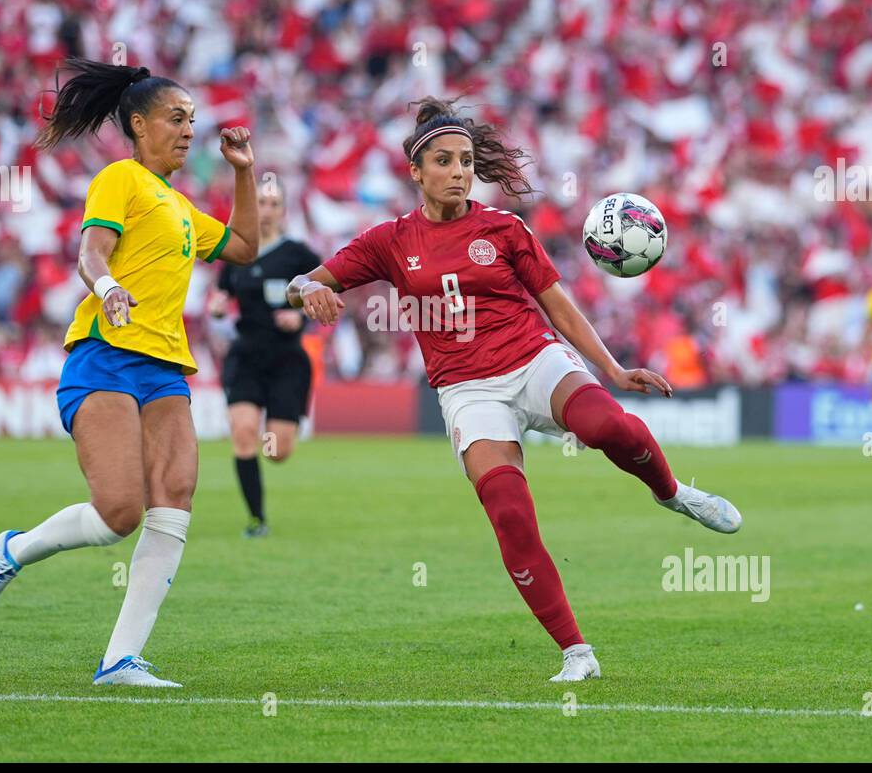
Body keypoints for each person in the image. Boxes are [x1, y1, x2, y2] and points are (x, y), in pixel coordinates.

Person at [285, 97, 742, 683]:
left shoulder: (505, 228)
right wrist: (307, 288)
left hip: (533, 361)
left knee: (609, 426)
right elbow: (301, 285)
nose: (458, 171)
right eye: (444, 161)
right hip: (467, 392)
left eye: (467, 161)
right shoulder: (388, 240)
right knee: (509, 513)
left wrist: (613, 369)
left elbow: (558, 307)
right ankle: (578, 653)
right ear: (415, 172)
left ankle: (675, 492)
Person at [0, 58, 260, 686]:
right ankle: (13, 549)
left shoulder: (180, 205)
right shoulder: (120, 178)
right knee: (119, 513)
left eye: (192, 121)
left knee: (175, 495)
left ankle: (119, 659)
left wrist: (243, 173)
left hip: (165, 369)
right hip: (104, 356)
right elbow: (90, 252)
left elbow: (242, 248)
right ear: (137, 123)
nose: (188, 130)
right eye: (175, 119)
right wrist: (107, 288)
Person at [208, 179, 321, 537]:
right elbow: (221, 294)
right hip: (246, 355)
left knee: (277, 451)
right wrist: (217, 307)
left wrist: (300, 316)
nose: (267, 209)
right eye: (260, 202)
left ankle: (279, 434)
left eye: (273, 203)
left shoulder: (299, 255)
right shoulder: (237, 251)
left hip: (287, 359)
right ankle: (257, 520)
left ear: (283, 210)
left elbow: (328, 294)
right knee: (242, 434)